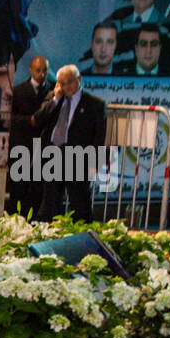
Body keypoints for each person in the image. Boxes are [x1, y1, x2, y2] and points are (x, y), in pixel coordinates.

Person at [31, 64, 107, 223]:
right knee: (49, 204)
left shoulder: (95, 104)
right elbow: (37, 121)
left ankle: (83, 239)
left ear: (79, 79)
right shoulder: (53, 98)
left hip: (78, 158)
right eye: (62, 83)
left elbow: (99, 137)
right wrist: (55, 99)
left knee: (80, 205)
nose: (67, 86)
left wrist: (93, 163)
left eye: (70, 81)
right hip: (53, 155)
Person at [6, 55, 51, 214]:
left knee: (37, 192)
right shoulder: (17, 91)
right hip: (21, 147)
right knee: (18, 191)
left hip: (42, 149)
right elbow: (10, 119)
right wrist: (29, 121)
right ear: (30, 70)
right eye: (38, 70)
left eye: (45, 70)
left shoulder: (52, 92)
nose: (42, 74)